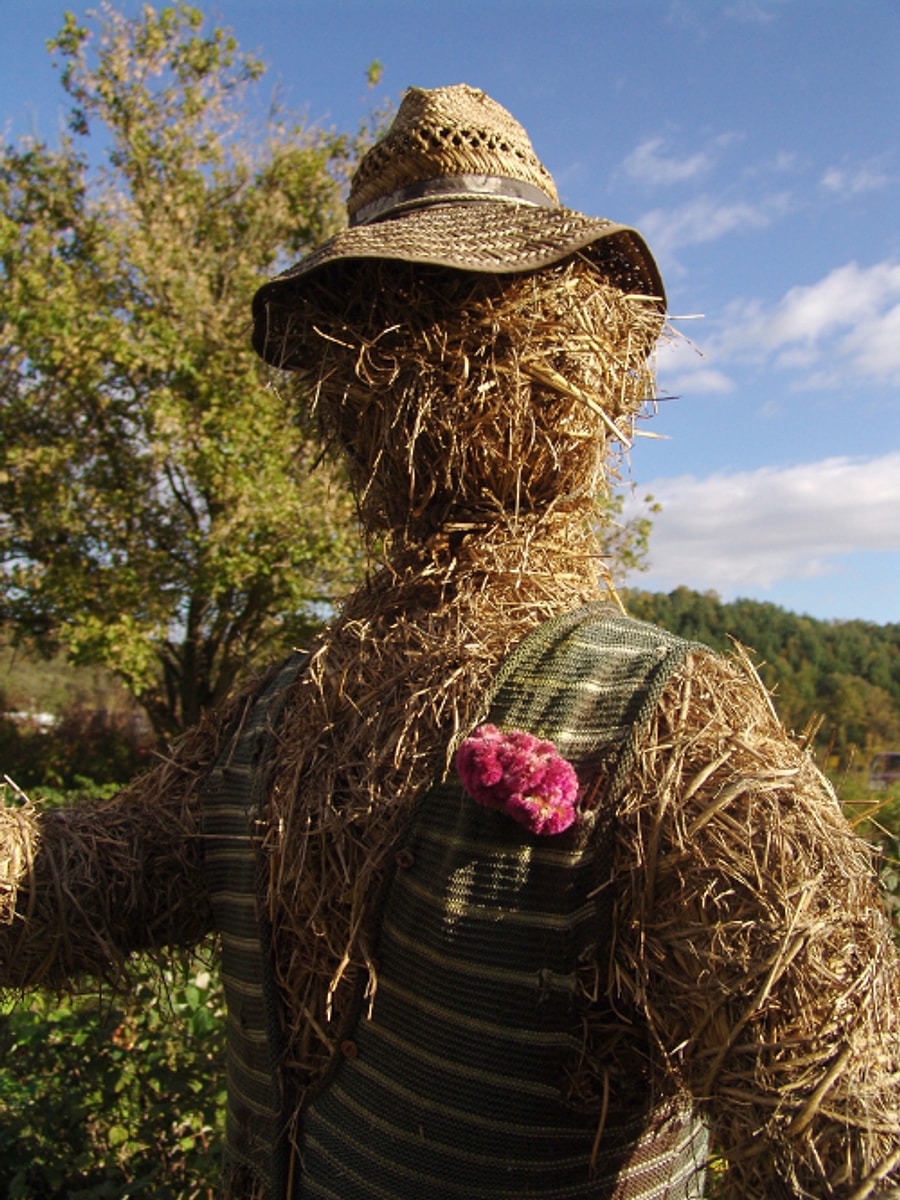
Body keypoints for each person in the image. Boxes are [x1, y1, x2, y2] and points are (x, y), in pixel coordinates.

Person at [2, 84, 899, 1200]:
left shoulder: (673, 728)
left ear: (582, 342)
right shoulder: (280, 709)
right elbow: (87, 884)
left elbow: (847, 1144)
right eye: (377, 311)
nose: (413, 347)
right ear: (334, 370)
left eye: (464, 302)